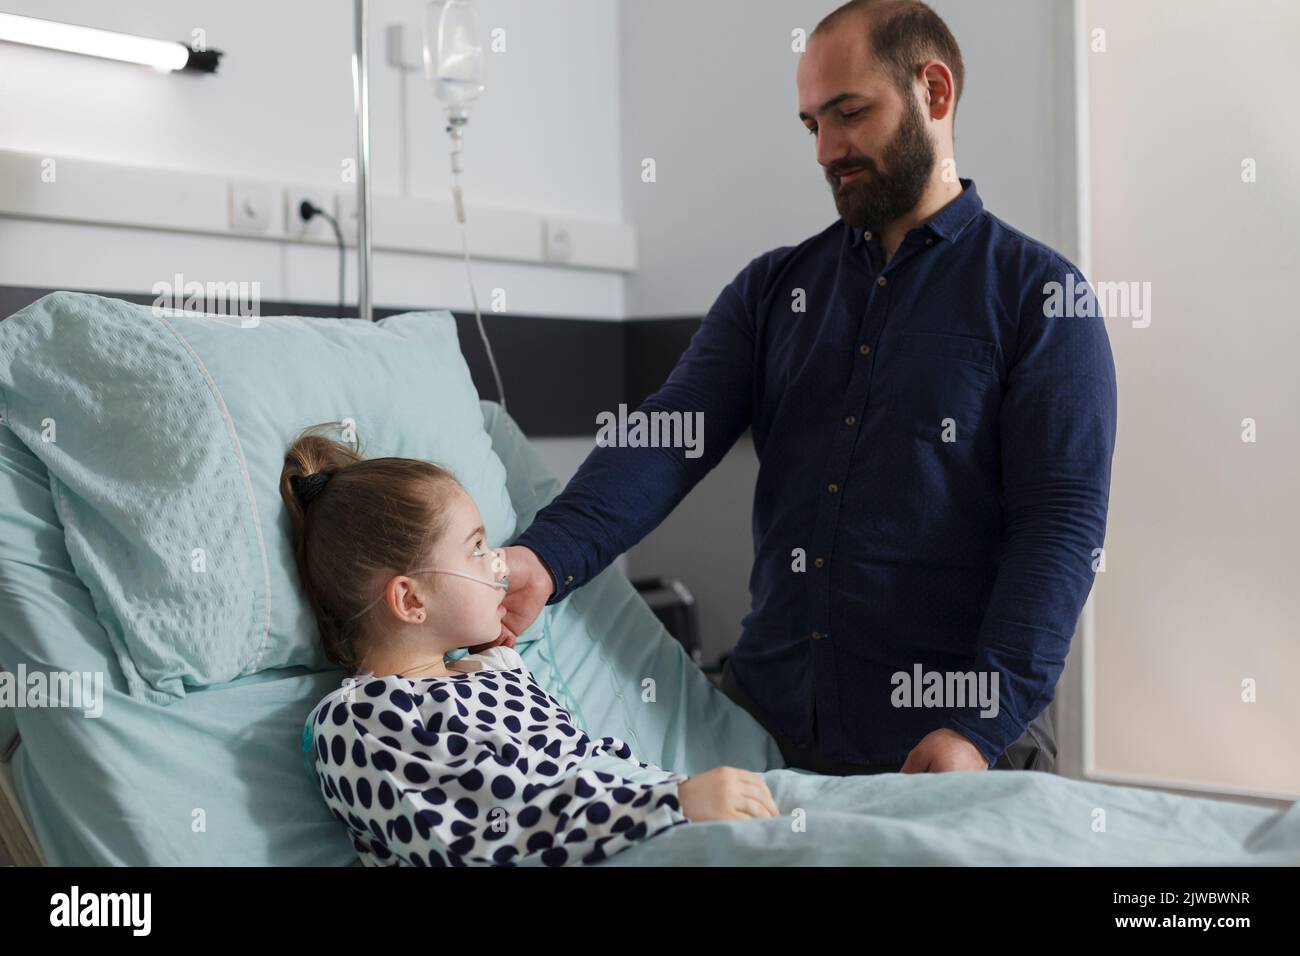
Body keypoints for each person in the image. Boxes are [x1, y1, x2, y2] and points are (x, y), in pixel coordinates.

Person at [499, 0, 1115, 776]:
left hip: (956, 747)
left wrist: (978, 726)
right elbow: (664, 441)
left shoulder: (1041, 297)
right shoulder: (772, 292)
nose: (827, 148)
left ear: (935, 92)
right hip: (770, 735)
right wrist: (545, 558)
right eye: (811, 124)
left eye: (849, 113)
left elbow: (1059, 531)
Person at [280, 425, 778, 867]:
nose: (499, 563)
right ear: (411, 599)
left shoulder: (496, 668)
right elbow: (485, 837)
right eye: (476, 548)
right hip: (632, 828)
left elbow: (578, 762)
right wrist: (674, 804)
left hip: (645, 814)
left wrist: (676, 794)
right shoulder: (357, 722)